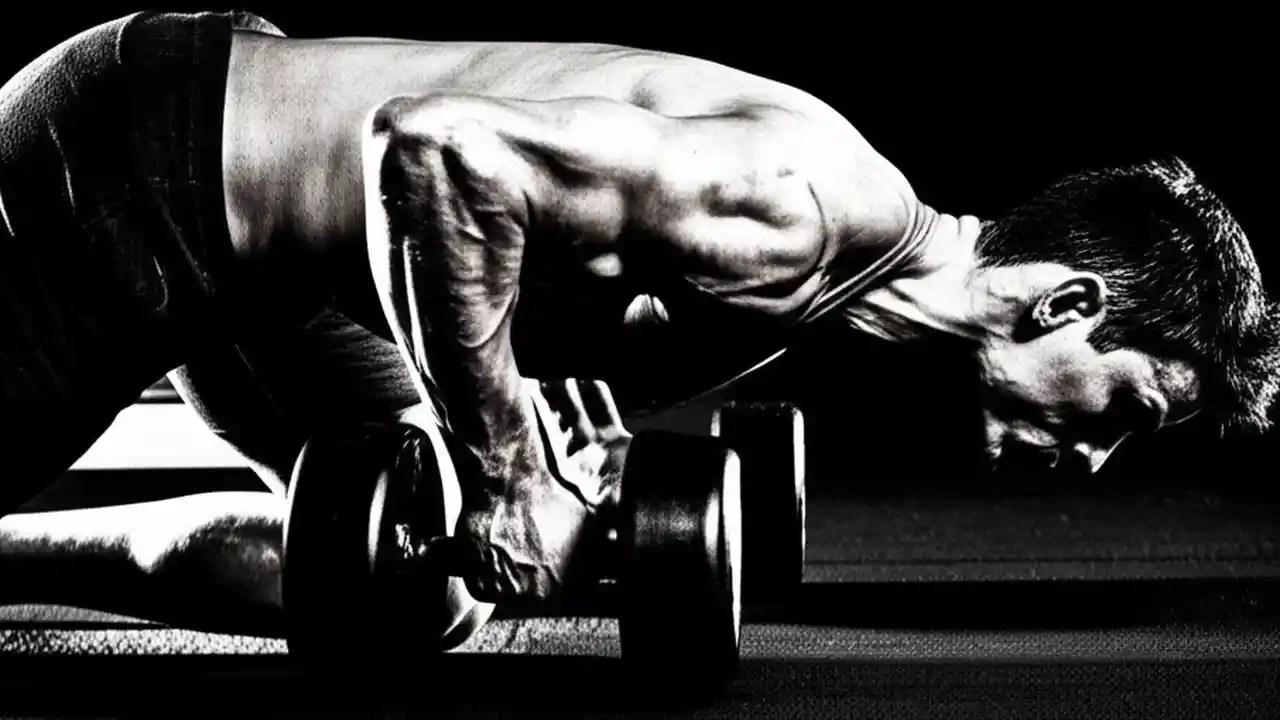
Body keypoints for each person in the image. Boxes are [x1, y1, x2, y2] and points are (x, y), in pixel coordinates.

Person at [0, 10, 1276, 645]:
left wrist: (547, 419)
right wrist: (501, 465)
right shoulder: (802, 210)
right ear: (1063, 303)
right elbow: (440, 158)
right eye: (1124, 410)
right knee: (464, 504)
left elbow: (538, 260)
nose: (1097, 459)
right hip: (140, 167)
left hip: (279, 258)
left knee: (408, 593)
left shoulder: (854, 290)